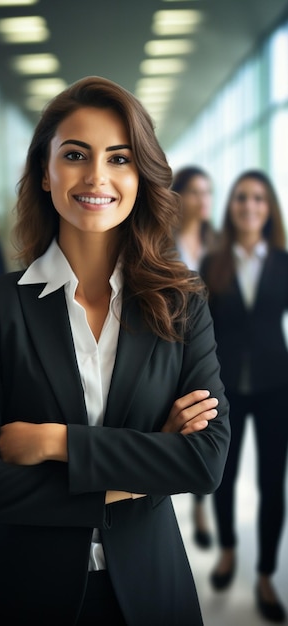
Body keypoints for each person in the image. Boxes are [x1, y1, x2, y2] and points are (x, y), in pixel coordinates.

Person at [0, 76, 230, 626]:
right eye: (75, 155)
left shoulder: (182, 302)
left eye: (119, 158)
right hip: (21, 594)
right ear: (45, 175)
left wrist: (56, 443)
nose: (97, 176)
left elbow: (204, 461)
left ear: (141, 177)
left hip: (152, 593)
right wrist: (143, 470)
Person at [201, 170, 288, 623]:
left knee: (273, 483)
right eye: (241, 199)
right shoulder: (213, 264)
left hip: (277, 387)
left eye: (257, 198)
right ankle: (229, 551)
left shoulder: (283, 262)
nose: (249, 206)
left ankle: (267, 575)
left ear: (269, 207)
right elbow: (198, 333)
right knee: (224, 476)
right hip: (226, 388)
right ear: (231, 208)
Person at [171, 165, 217, 549]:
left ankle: (204, 506)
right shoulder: (162, 243)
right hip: (178, 348)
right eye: (195, 192)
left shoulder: (219, 244)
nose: (203, 200)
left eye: (208, 193)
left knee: (212, 426)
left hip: (222, 350)